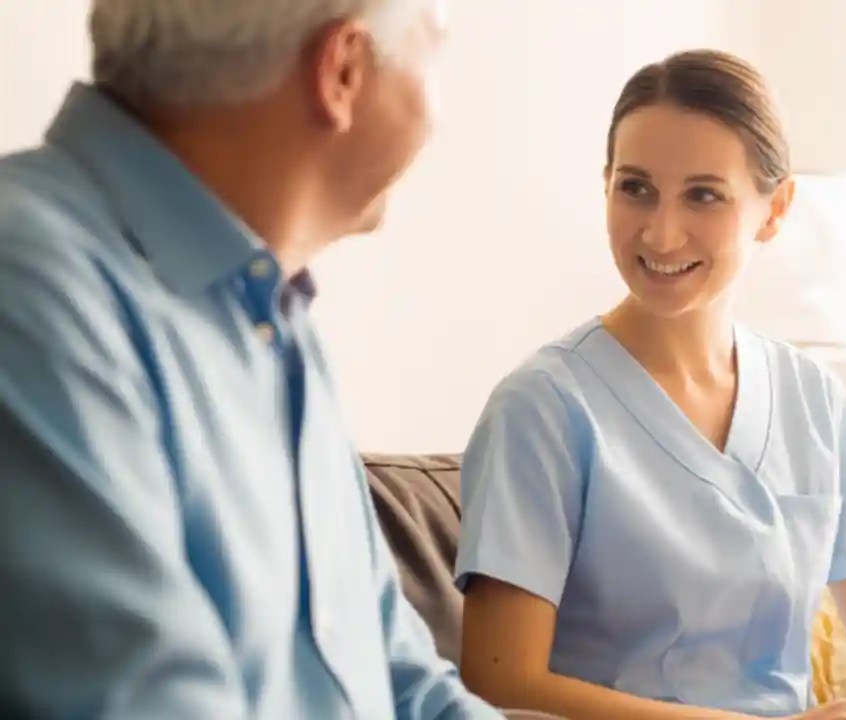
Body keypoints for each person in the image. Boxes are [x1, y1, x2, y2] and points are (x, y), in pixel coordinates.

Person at [0, 1, 509, 717]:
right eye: (433, 52)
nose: (439, 117)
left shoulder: (276, 321)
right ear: (343, 70)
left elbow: (408, 685)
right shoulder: (32, 294)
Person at [455, 50, 846, 720]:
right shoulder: (542, 409)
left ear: (775, 209)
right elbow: (502, 682)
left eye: (703, 194)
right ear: (606, 184)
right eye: (635, 187)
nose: (661, 232)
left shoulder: (810, 399)